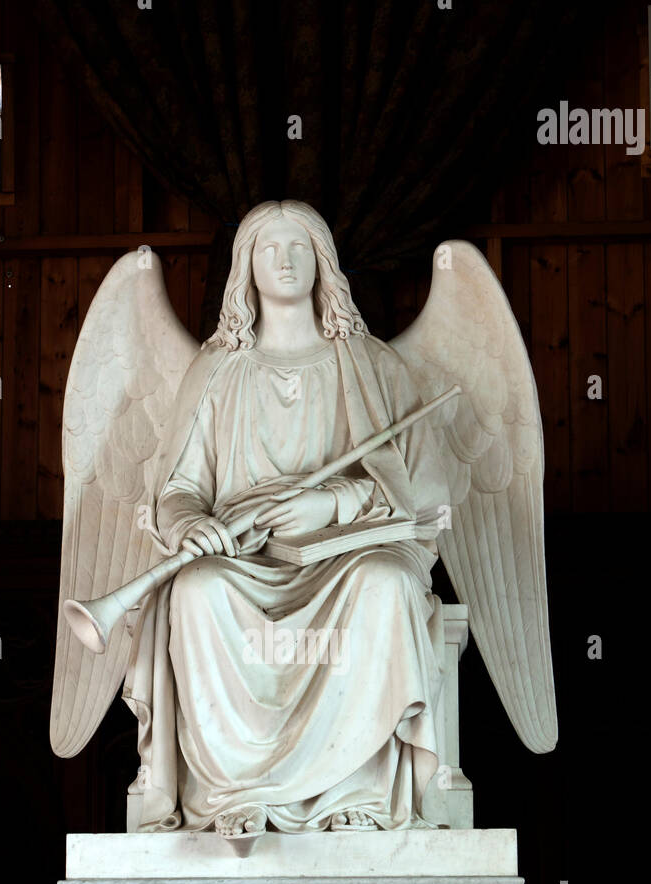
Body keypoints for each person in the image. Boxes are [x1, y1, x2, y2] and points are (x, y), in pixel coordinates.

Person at [123, 200, 450, 840]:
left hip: (342, 555)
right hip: (244, 561)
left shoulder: (372, 365)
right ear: (245, 267)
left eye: (300, 244)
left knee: (386, 583)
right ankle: (234, 792)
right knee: (195, 589)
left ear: (323, 260)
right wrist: (194, 525)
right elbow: (180, 489)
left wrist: (329, 503)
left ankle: (351, 789)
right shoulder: (216, 372)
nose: (285, 259)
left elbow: (418, 495)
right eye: (268, 247)